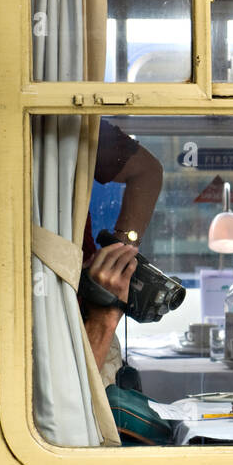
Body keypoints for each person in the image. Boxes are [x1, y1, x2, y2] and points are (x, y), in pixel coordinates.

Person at [81, 121, 163, 382]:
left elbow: (147, 172)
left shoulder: (69, 123)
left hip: (85, 305)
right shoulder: (67, 122)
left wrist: (121, 253)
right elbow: (149, 171)